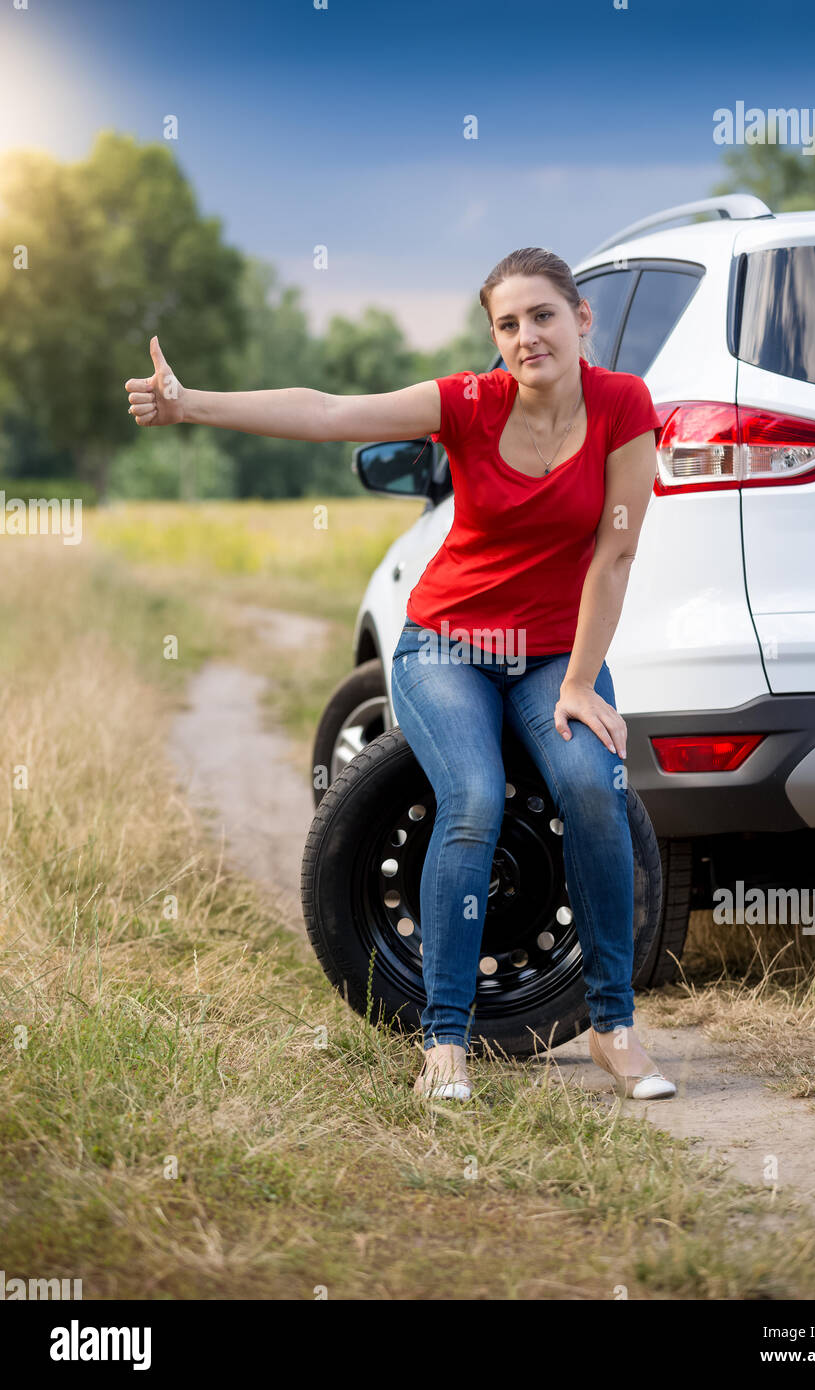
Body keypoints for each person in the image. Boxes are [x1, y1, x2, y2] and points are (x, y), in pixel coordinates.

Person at [124, 246, 676, 1106]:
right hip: (446, 645)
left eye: (541, 316)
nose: (526, 336)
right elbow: (329, 411)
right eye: (507, 323)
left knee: (592, 785)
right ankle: (446, 1042)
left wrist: (578, 684)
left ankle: (612, 1029)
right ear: (492, 336)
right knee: (475, 799)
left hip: (548, 658)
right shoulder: (466, 401)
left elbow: (615, 554)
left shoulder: (622, 407)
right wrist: (191, 404)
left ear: (581, 319)